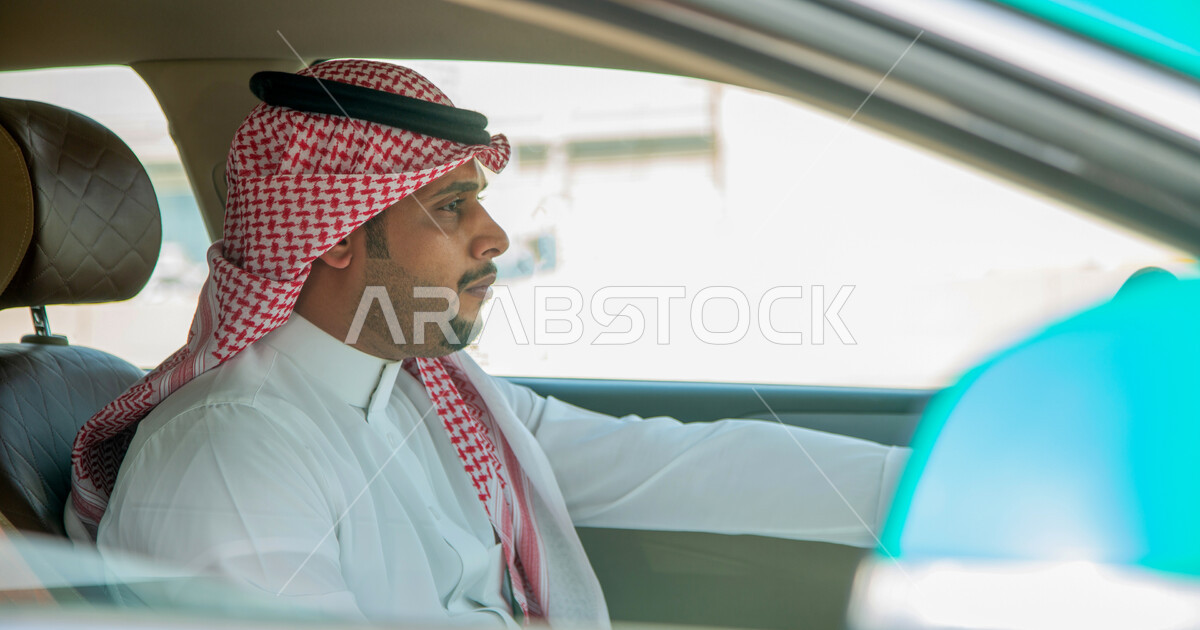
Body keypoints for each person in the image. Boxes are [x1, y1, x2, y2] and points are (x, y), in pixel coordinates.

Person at [68, 59, 909, 628]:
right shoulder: (230, 454)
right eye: (451, 207)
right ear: (336, 235)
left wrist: (927, 490)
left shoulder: (424, 389)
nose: (496, 237)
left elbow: (669, 463)